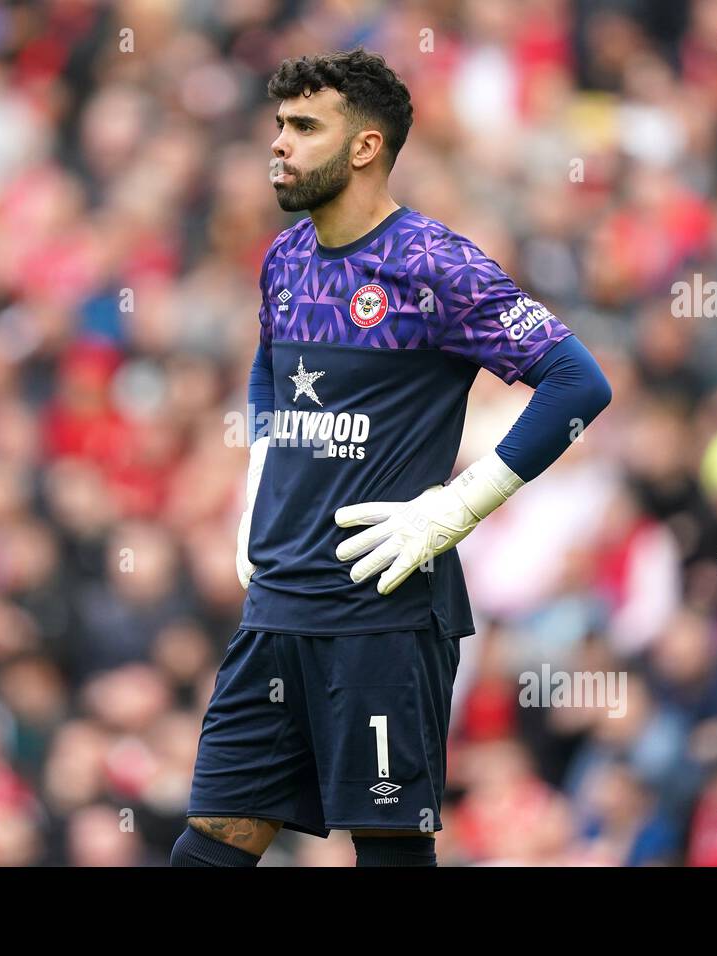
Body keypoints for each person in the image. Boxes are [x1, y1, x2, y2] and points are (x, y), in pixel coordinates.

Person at [171, 48, 612, 868]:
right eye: (279, 125)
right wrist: (260, 478)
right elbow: (268, 373)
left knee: (387, 855)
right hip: (274, 610)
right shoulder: (287, 260)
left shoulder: (432, 264)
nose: (278, 143)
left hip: (382, 614)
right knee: (210, 847)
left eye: (304, 127)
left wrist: (458, 506)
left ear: (364, 147)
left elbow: (576, 382)